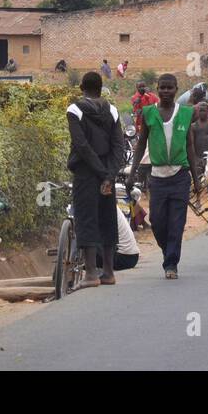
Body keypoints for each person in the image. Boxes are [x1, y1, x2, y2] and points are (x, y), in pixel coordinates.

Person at [127, 73, 203, 279]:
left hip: (180, 176)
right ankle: (167, 249)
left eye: (170, 88)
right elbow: (141, 143)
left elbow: (189, 145)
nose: (166, 91)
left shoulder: (185, 113)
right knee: (158, 221)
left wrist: (196, 179)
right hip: (157, 178)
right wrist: (132, 172)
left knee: (176, 224)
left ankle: (171, 264)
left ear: (176, 90)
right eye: (162, 88)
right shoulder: (149, 113)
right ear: (157, 89)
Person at [65, 71, 126, 289]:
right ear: (101, 89)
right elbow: (119, 146)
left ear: (82, 88)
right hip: (107, 174)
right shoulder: (112, 110)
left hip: (86, 173)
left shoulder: (75, 110)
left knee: (87, 218)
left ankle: (91, 273)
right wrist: (109, 176)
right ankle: (108, 273)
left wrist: (100, 173)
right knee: (107, 220)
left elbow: (81, 146)